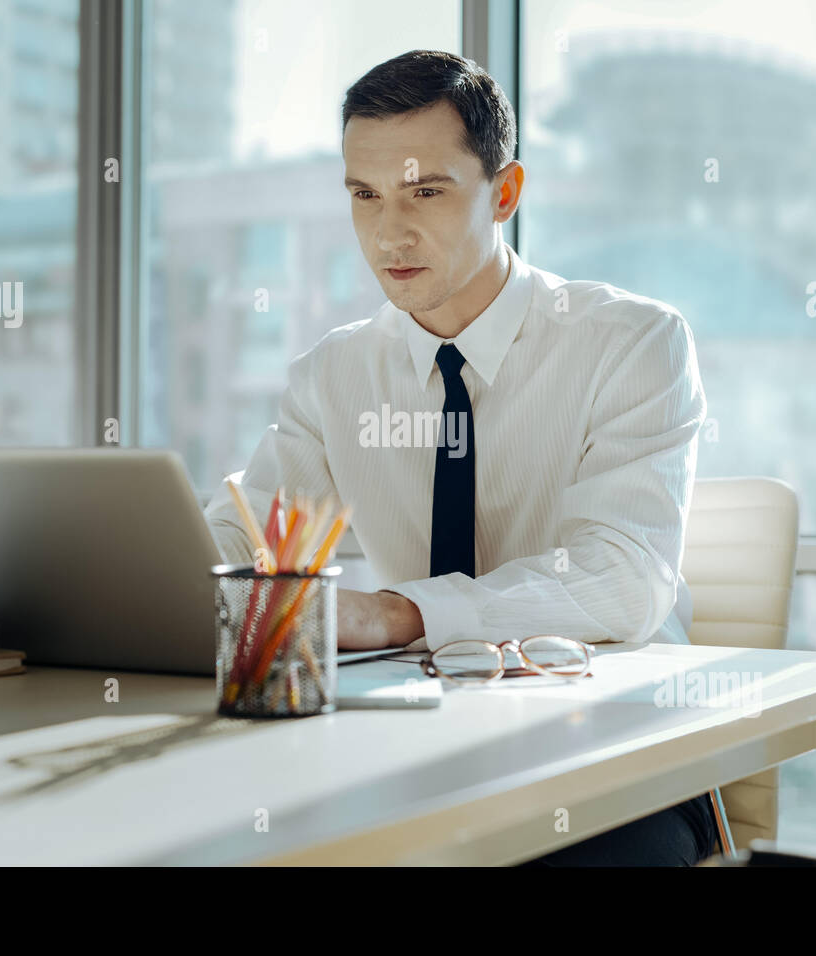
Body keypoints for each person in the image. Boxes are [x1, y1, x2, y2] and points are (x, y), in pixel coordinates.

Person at [205, 50, 714, 865]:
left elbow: (624, 580)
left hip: (612, 758)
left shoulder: (633, 343)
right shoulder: (333, 374)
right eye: (364, 196)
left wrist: (398, 613)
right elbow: (255, 544)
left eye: (425, 193)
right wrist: (168, 576)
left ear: (504, 193)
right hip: (408, 748)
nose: (388, 232)